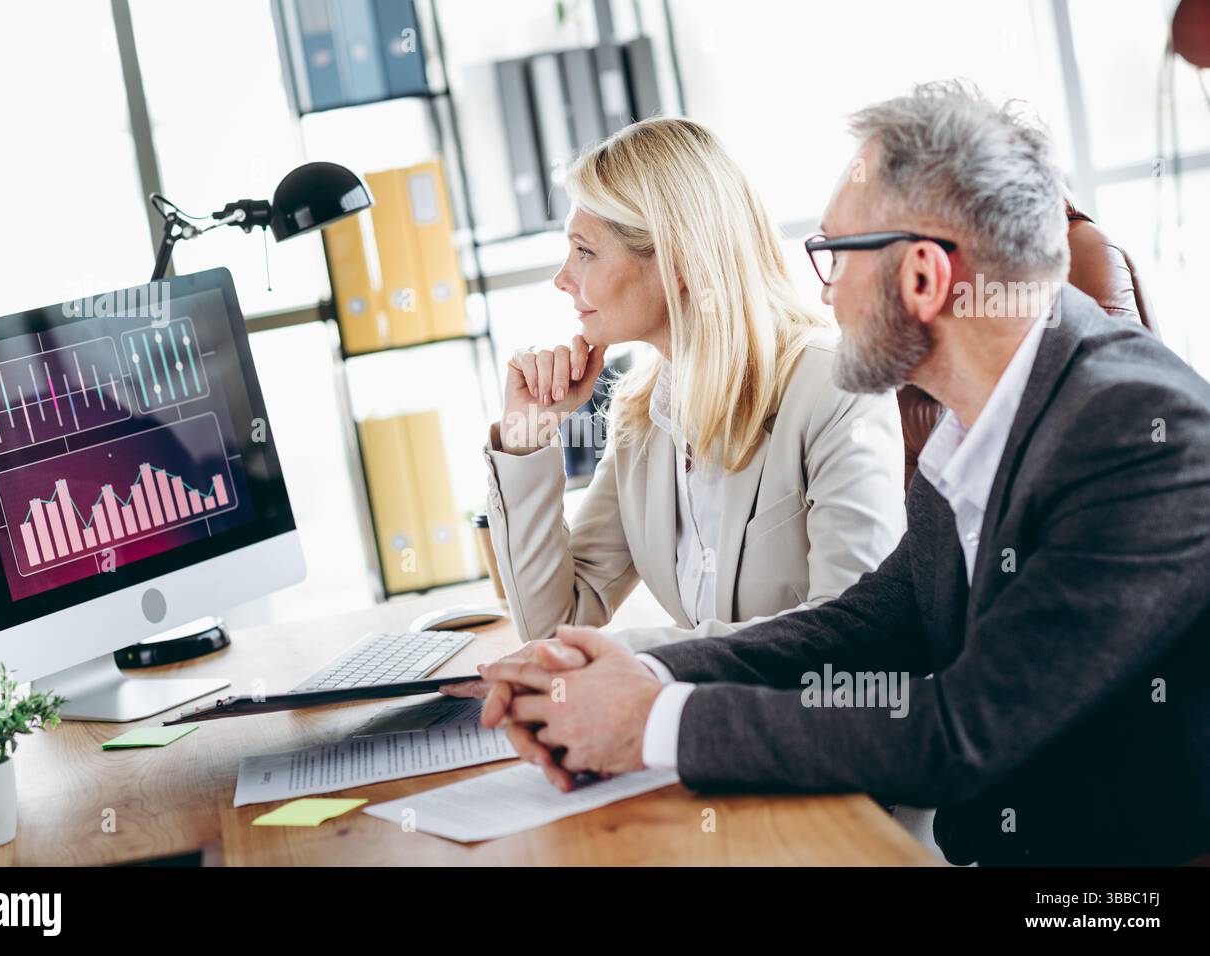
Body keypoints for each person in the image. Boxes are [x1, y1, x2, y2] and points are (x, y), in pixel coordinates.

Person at [470, 81, 1210, 866]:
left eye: (835, 255)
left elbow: (961, 729)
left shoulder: (1136, 436)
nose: (822, 293)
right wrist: (637, 669)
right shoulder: (979, 423)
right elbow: (866, 626)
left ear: (922, 278)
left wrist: (652, 721)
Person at [462, 117, 904, 664]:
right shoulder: (644, 419)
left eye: (585, 252)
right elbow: (554, 627)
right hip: (704, 733)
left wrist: (638, 662)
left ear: (677, 262)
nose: (562, 279)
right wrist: (526, 435)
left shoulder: (834, 388)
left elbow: (855, 635)